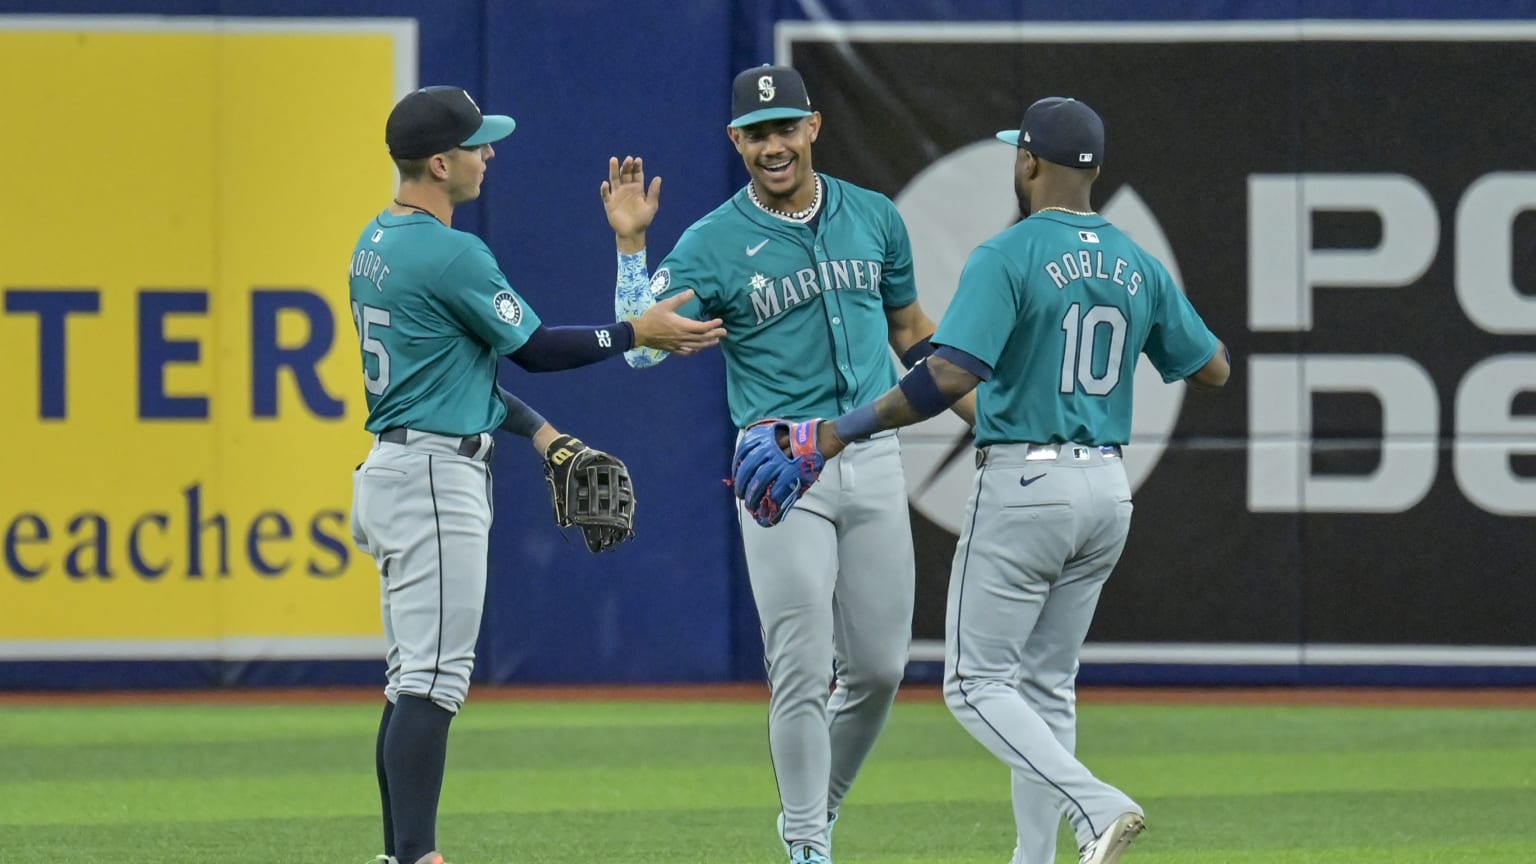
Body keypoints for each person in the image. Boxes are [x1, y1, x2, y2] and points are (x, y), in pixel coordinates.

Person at [731, 97, 1230, 864]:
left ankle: (1096, 805)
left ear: (1028, 162)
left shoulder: (1009, 253)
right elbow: (1214, 368)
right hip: (1107, 488)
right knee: (1046, 687)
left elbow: (948, 373)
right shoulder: (1137, 261)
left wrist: (833, 431)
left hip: (1028, 485)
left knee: (974, 686)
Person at [348, 85, 725, 864]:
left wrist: (543, 435)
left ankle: (398, 855)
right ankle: (416, 855)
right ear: (441, 161)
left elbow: (460, 375)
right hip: (430, 478)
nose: (490, 155)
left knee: (409, 682)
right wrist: (634, 330)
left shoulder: (376, 241)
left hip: (397, 463)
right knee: (433, 683)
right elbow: (535, 349)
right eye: (479, 144)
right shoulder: (450, 251)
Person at [605, 66, 967, 864]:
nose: (774, 144)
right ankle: (807, 845)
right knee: (800, 665)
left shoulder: (873, 217)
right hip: (779, 464)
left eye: (785, 127)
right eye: (756, 132)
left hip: (870, 452)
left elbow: (910, 327)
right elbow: (639, 355)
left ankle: (815, 814)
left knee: (877, 668)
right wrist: (632, 243)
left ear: (814, 128)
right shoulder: (713, 240)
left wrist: (991, 417)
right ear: (736, 142)